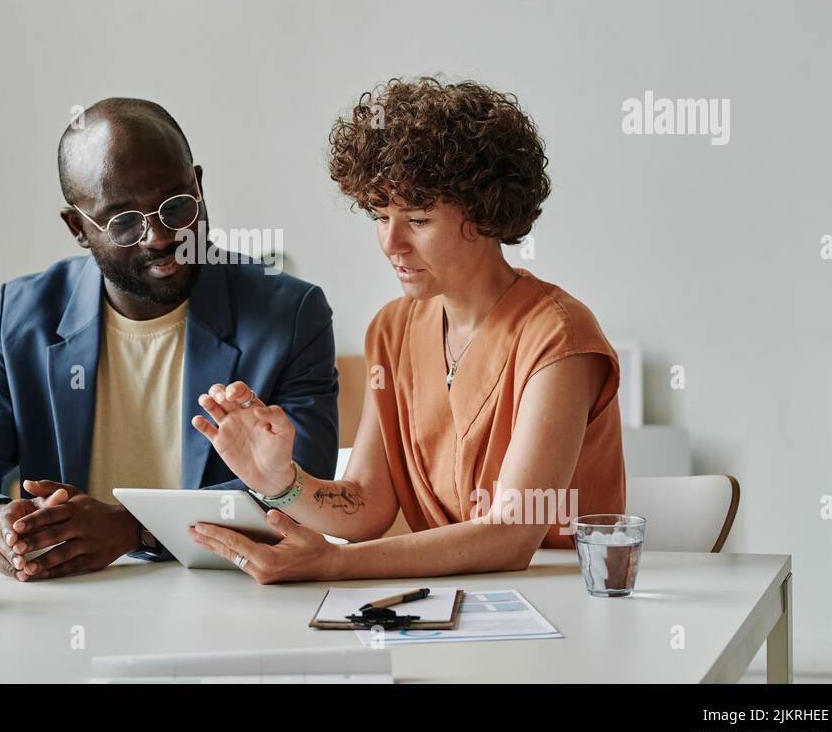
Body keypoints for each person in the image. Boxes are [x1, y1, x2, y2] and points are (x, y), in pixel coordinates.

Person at [189, 77, 625, 583]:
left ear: (485, 214)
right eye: (379, 216)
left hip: (562, 601)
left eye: (417, 219)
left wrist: (334, 564)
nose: (391, 243)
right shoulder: (393, 329)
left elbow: (512, 533)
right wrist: (282, 482)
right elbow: (368, 506)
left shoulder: (559, 335)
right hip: (445, 598)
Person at [0, 97, 338, 581]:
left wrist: (137, 529)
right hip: (71, 597)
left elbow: (306, 491)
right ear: (77, 227)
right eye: (123, 222)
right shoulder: (21, 314)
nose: (158, 236)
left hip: (226, 592)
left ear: (198, 185)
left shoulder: (290, 314)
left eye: (176, 206)